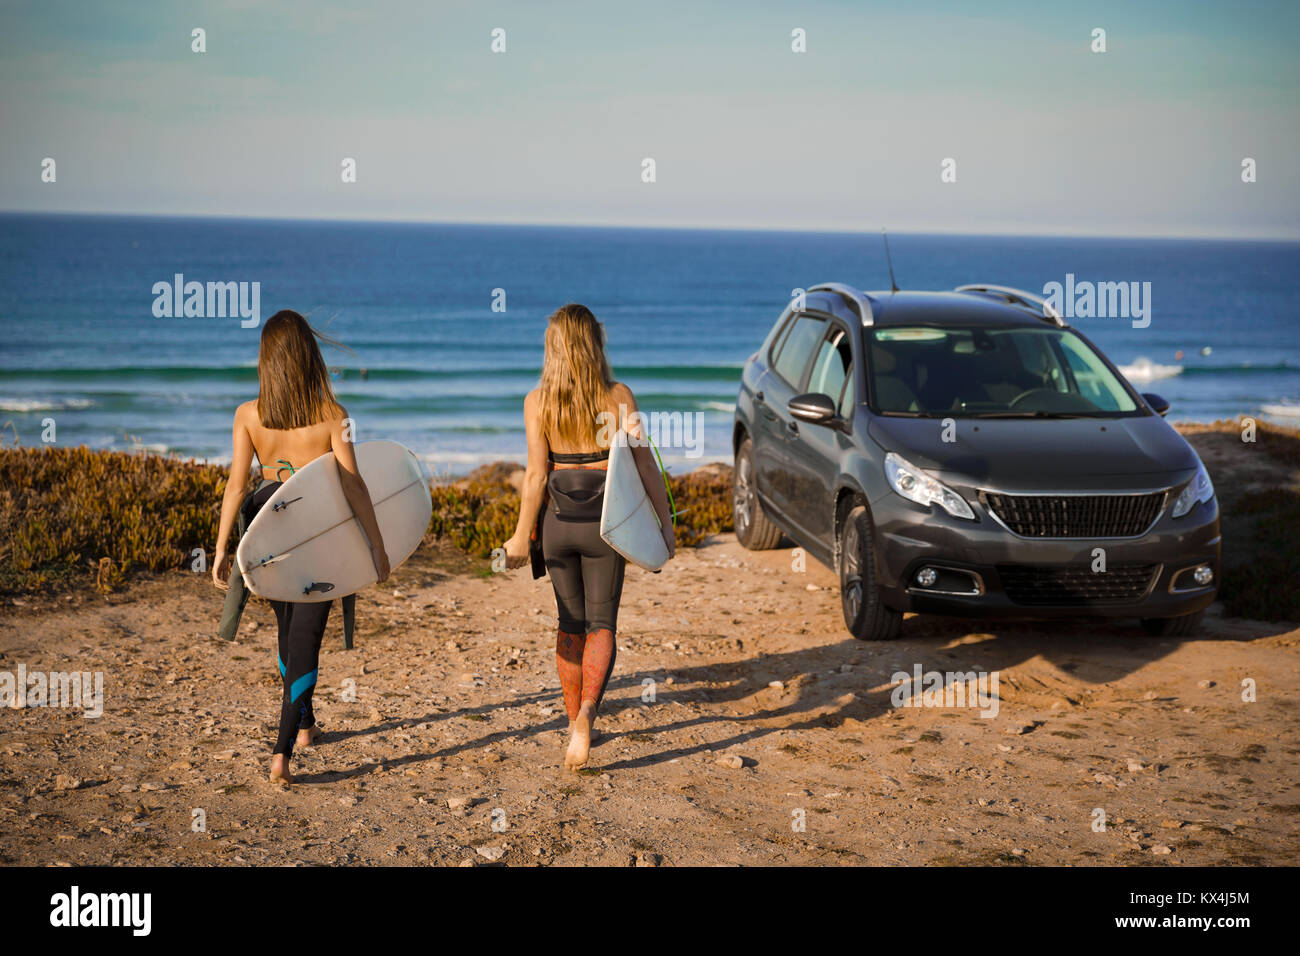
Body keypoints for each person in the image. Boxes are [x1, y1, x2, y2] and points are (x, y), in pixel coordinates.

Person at [212, 310, 390, 787]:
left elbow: (235, 486)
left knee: (287, 627)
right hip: (317, 533)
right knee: (305, 640)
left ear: (266, 361)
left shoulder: (248, 415)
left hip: (267, 530)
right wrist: (376, 545)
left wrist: (223, 546)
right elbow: (353, 486)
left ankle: (305, 725)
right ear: (309, 358)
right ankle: (281, 754)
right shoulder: (336, 416)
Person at [504, 304, 674, 770]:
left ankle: (571, 720)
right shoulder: (619, 397)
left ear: (553, 347)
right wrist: (664, 522)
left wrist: (522, 536)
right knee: (602, 624)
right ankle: (586, 718)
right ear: (594, 344)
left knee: (569, 624)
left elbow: (536, 475)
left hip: (558, 528)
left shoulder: (537, 401)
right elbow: (644, 466)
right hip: (607, 527)